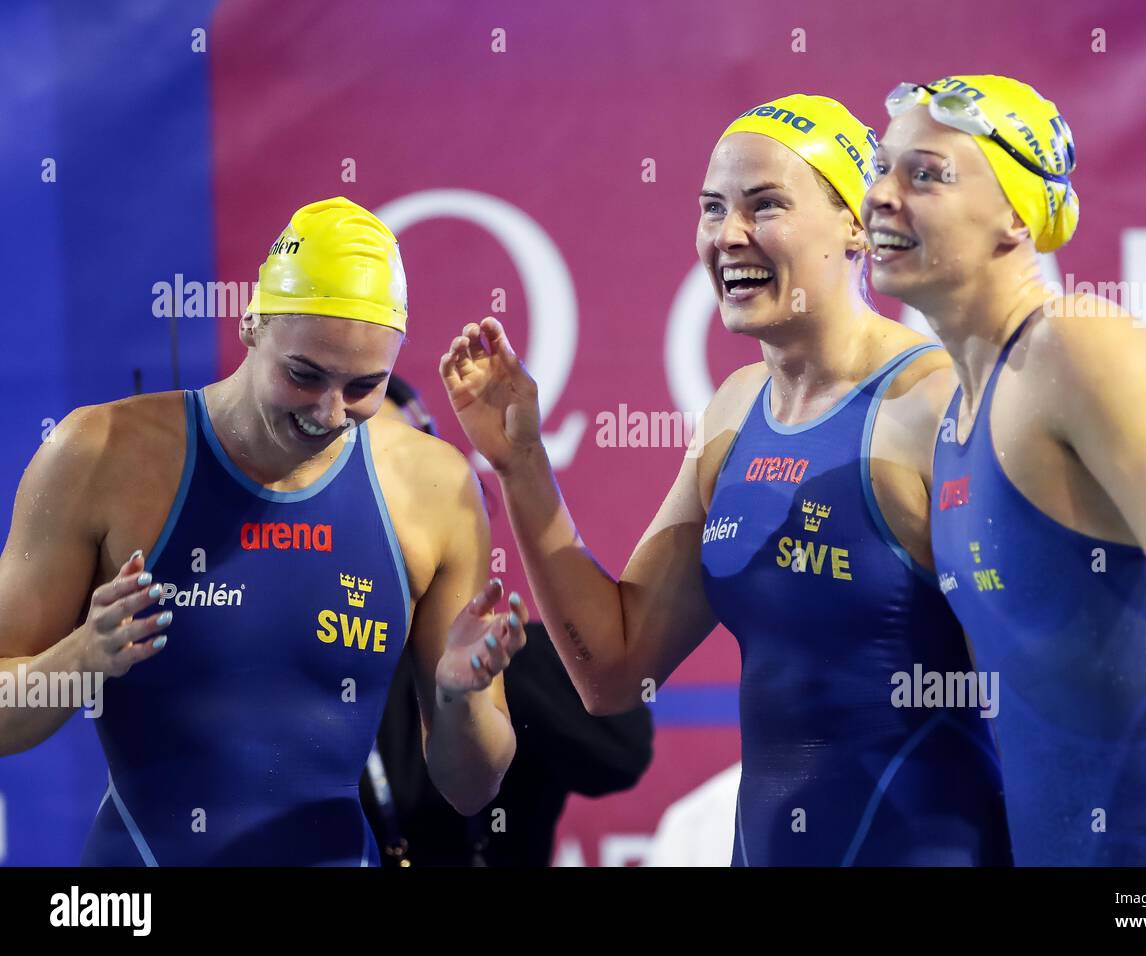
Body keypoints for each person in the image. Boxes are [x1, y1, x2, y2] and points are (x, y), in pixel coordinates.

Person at [440, 95, 1012, 865]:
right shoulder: (736, 412)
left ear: (855, 224)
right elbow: (613, 667)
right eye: (712, 208)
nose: (727, 235)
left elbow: (1033, 695)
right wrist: (523, 466)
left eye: (765, 205)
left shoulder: (937, 406)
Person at [0, 197, 528, 866]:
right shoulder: (100, 454)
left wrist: (460, 696)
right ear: (252, 323)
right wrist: (80, 659)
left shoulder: (433, 489)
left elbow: (471, 787)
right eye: (304, 375)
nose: (329, 412)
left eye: (365, 385)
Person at [866, 75, 1146, 865]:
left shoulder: (1083, 348)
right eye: (879, 167)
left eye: (924, 173)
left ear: (1016, 217)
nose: (882, 196)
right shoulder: (954, 414)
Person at [360, 376, 653, 866]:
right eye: (362, 470)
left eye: (406, 467)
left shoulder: (518, 660)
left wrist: (486, 677)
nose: (385, 498)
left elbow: (620, 756)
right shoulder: (297, 664)